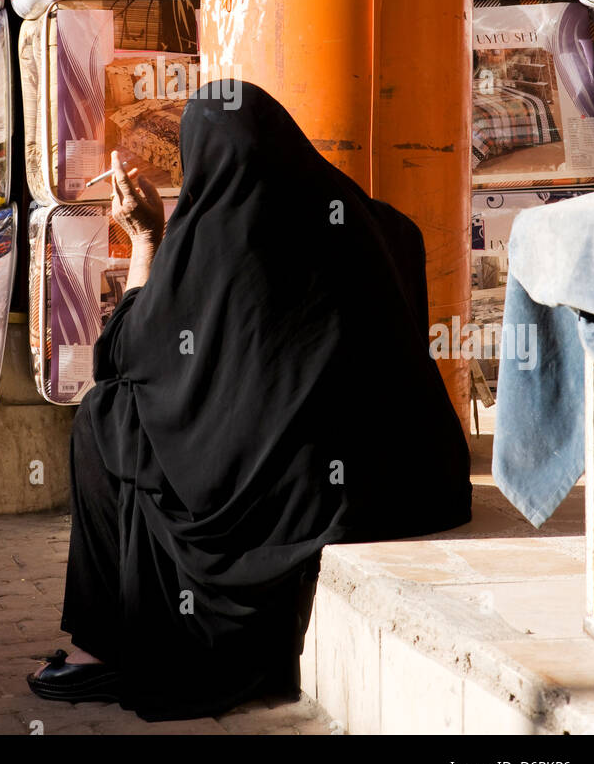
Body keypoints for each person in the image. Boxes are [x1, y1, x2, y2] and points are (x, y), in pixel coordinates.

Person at [28, 82, 472, 721]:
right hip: (407, 483)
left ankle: (101, 651)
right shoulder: (369, 219)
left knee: (105, 417)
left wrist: (148, 239)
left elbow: (119, 356)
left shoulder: (211, 242)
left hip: (293, 496)